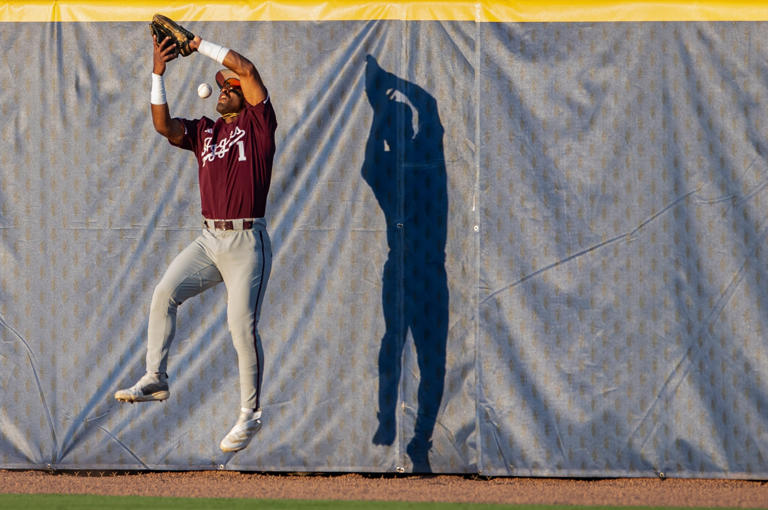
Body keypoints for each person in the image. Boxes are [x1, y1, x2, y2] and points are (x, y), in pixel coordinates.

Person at [114, 28, 277, 454]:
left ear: (247, 98)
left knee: (240, 326)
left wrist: (198, 44)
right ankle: (156, 377)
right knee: (164, 292)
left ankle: (250, 415)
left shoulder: (259, 125)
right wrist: (158, 74)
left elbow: (247, 68)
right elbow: (163, 125)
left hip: (246, 241)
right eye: (221, 89)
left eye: (231, 88)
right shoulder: (205, 131)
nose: (223, 91)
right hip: (210, 240)